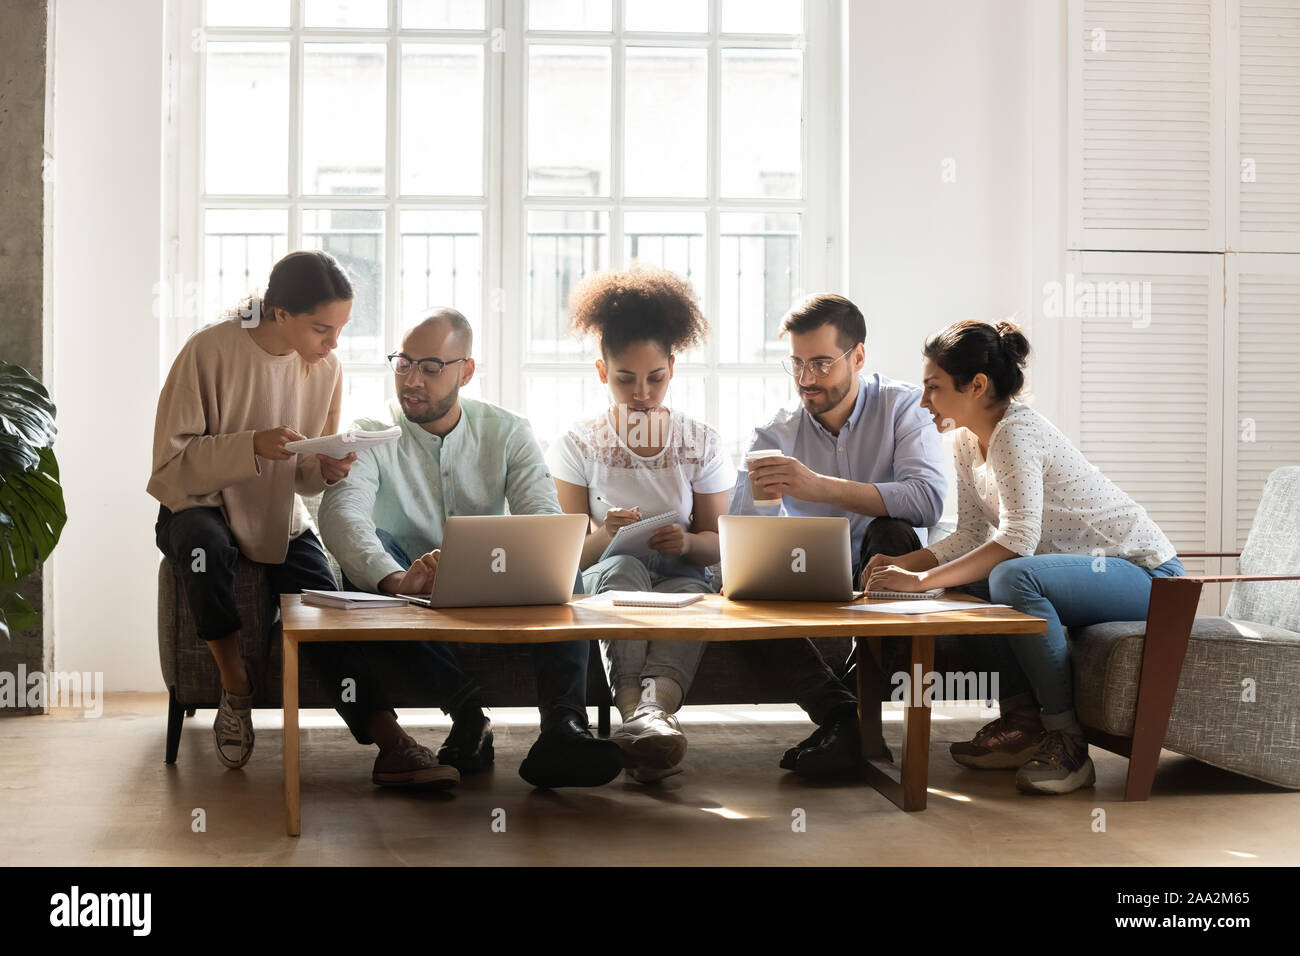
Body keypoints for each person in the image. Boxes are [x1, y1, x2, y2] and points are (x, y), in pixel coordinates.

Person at [150, 250, 456, 789]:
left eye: (340, 328)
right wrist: (252, 445)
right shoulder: (208, 348)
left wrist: (326, 468)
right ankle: (235, 685)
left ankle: (389, 741)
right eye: (322, 328)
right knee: (205, 546)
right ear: (280, 312)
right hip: (199, 503)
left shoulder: (326, 368)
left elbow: (304, 476)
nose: (333, 343)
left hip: (276, 511)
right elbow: (172, 461)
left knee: (324, 599)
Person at [864, 319, 1184, 795]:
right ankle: (1023, 722)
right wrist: (908, 563)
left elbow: (1018, 538)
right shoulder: (966, 440)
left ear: (976, 385)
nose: (923, 401)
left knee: (1012, 578)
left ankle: (1068, 742)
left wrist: (923, 582)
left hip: (1150, 576)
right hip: (1087, 573)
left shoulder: (1017, 433)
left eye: (932, 388)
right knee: (969, 585)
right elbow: (974, 533)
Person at [318, 307, 625, 789]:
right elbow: (340, 516)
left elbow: (543, 519)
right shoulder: (370, 431)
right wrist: (398, 579)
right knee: (370, 555)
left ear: (466, 370)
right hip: (404, 587)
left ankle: (564, 729)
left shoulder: (508, 430)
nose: (412, 379)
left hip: (490, 582)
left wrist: (534, 557)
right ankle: (469, 717)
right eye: (403, 363)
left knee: (565, 566)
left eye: (431, 367)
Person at [730, 293, 947, 776]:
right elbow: (744, 538)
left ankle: (848, 721)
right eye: (798, 364)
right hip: (810, 573)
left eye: (822, 363)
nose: (807, 380)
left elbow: (926, 501)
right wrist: (761, 515)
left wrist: (816, 486)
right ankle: (843, 716)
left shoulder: (905, 406)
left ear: (858, 356)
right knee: (740, 594)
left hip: (888, 567)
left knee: (892, 529)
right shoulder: (774, 434)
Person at [547, 268, 735, 783]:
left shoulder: (700, 441)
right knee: (625, 563)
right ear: (602, 372)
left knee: (693, 598)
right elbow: (567, 557)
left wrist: (690, 539)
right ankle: (647, 720)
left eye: (655, 377)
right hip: (609, 578)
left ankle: (644, 722)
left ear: (672, 368)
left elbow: (720, 546)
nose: (642, 392)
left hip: (681, 576)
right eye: (626, 378)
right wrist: (607, 533)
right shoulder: (579, 442)